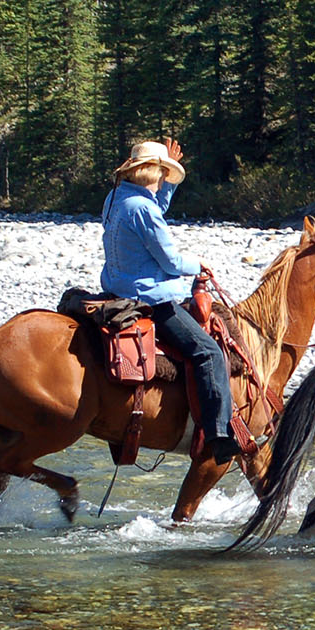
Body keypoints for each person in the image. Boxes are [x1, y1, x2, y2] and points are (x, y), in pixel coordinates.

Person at [100, 138, 240, 463]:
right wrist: (199, 264)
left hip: (116, 291)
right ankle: (218, 434)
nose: (165, 178)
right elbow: (171, 263)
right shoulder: (143, 209)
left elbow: (152, 210)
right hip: (149, 301)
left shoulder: (116, 198)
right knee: (207, 352)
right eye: (163, 173)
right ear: (153, 172)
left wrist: (168, 186)